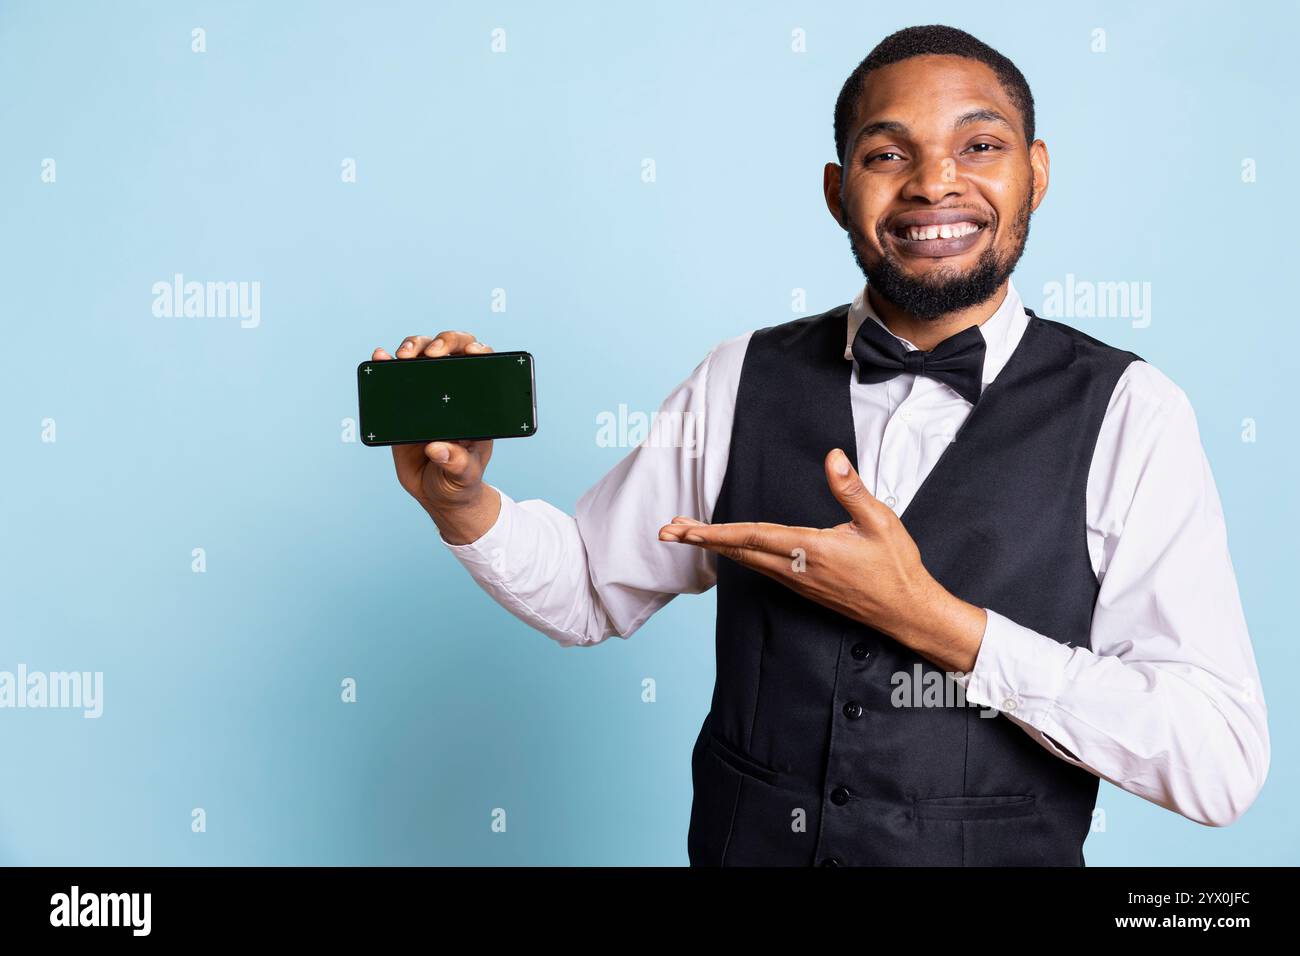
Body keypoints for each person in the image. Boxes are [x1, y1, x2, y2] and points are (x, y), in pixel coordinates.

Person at [371, 25, 1269, 866]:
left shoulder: (1132, 413)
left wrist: (941, 624)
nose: (934, 183)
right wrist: (462, 505)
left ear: (1036, 173)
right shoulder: (736, 377)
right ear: (839, 191)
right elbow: (585, 588)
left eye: (979, 146)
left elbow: (1218, 757)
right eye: (889, 154)